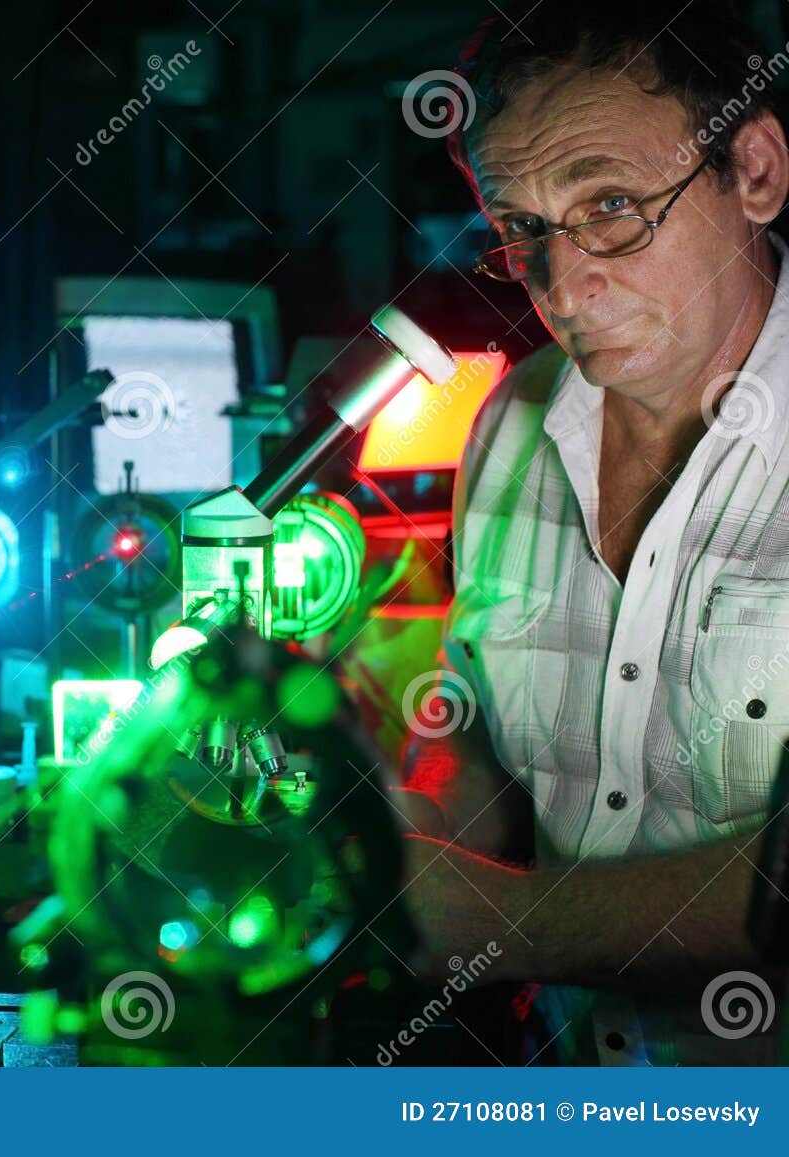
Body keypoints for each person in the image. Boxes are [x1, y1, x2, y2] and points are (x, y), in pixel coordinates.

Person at [394, 2, 789, 1064]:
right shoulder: (512, 423)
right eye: (519, 230)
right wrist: (386, 830)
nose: (562, 288)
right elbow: (468, 723)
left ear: (752, 171)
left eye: (610, 204)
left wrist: (485, 919)